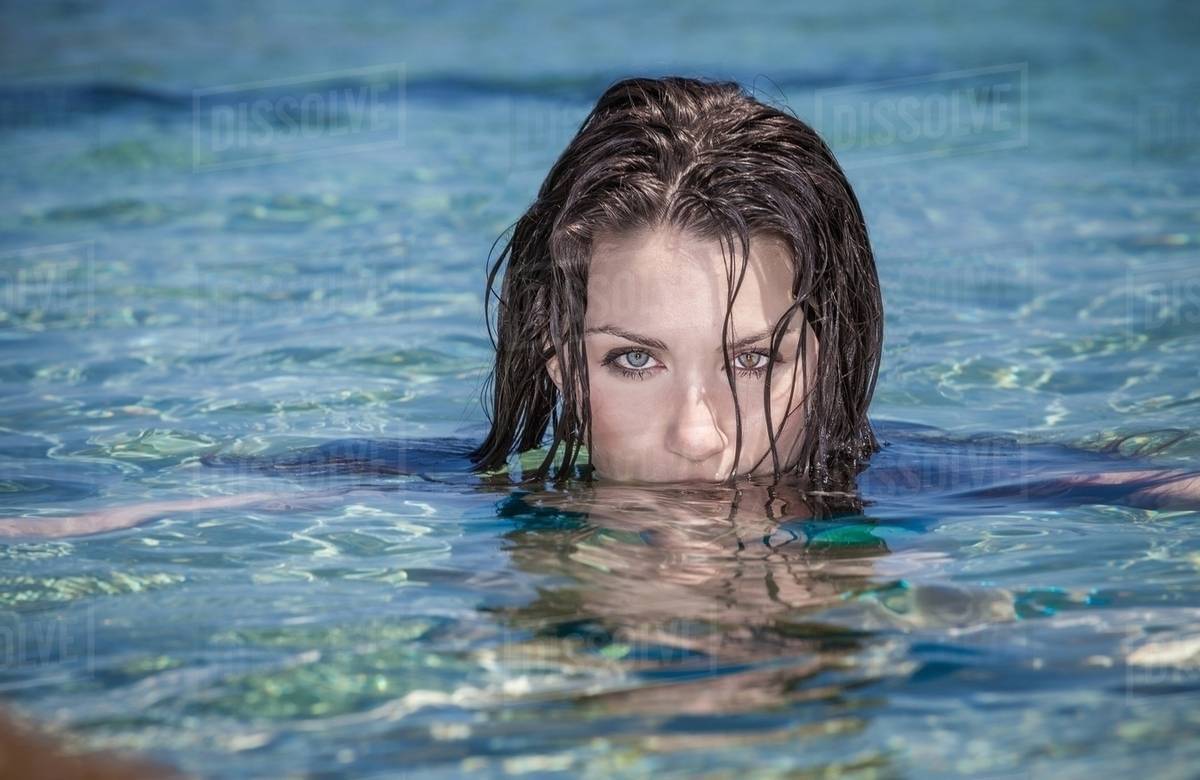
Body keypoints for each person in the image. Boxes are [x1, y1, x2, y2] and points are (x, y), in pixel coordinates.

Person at [2, 76, 1198, 541]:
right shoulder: (484, 491)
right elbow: (214, 499)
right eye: (635, 361)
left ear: (829, 347)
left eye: (754, 360)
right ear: (564, 366)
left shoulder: (934, 487)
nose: (702, 437)